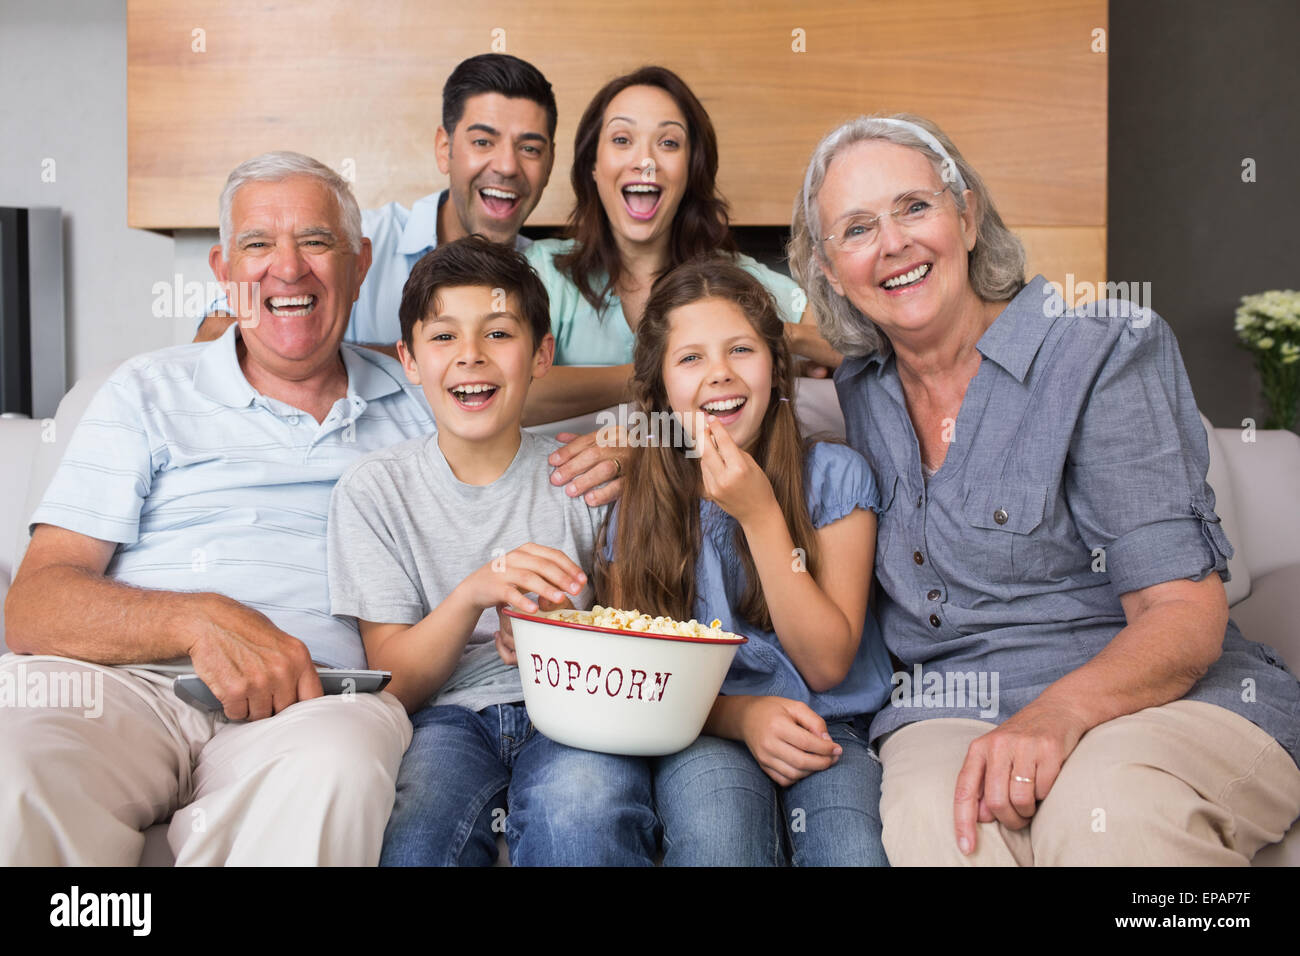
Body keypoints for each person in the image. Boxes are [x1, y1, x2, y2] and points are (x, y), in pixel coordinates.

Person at [789, 113, 1300, 864]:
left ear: (966, 216)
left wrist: (1054, 716)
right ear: (831, 271)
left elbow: (1183, 614)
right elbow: (720, 387)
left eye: (915, 207)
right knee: (934, 830)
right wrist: (634, 442)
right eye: (857, 228)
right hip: (951, 706)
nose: (893, 243)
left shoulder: (1102, 351)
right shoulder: (863, 387)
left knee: (1107, 809)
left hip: (1158, 696)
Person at [0, 151, 435, 865]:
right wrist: (195, 619)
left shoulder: (425, 397)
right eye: (258, 245)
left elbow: (514, 392)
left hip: (312, 704)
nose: (287, 269)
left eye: (316, 242)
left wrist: (620, 442)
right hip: (124, 688)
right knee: (11, 756)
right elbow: (34, 606)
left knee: (341, 763)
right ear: (224, 271)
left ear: (359, 264)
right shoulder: (145, 390)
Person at [327, 236, 658, 866]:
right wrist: (475, 592)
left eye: (499, 335)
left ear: (540, 356)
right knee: (419, 833)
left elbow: (640, 626)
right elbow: (394, 682)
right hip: (446, 720)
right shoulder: (376, 490)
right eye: (444, 337)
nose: (471, 357)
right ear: (409, 359)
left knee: (584, 811)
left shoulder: (584, 475)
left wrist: (564, 632)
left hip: (576, 708)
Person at [591, 258, 894, 865]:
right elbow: (640, 677)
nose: (720, 375)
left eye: (740, 350)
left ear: (777, 369)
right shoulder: (642, 508)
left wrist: (760, 516)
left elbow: (827, 663)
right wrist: (741, 717)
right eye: (691, 358)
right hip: (704, 723)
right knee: (718, 840)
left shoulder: (835, 479)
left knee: (850, 850)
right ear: (657, 391)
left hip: (831, 723)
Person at [521, 65, 843, 433]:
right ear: (593, 165)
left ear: (691, 169)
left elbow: (857, 351)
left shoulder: (735, 278)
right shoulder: (542, 270)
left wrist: (779, 337)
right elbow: (511, 393)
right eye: (622, 140)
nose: (645, 162)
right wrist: (657, 374)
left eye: (668, 143)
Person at [194, 53, 557, 354]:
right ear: (444, 150)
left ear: (550, 163)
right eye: (482, 142)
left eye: (529, 149)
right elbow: (216, 335)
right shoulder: (343, 242)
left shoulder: (553, 278)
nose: (507, 166)